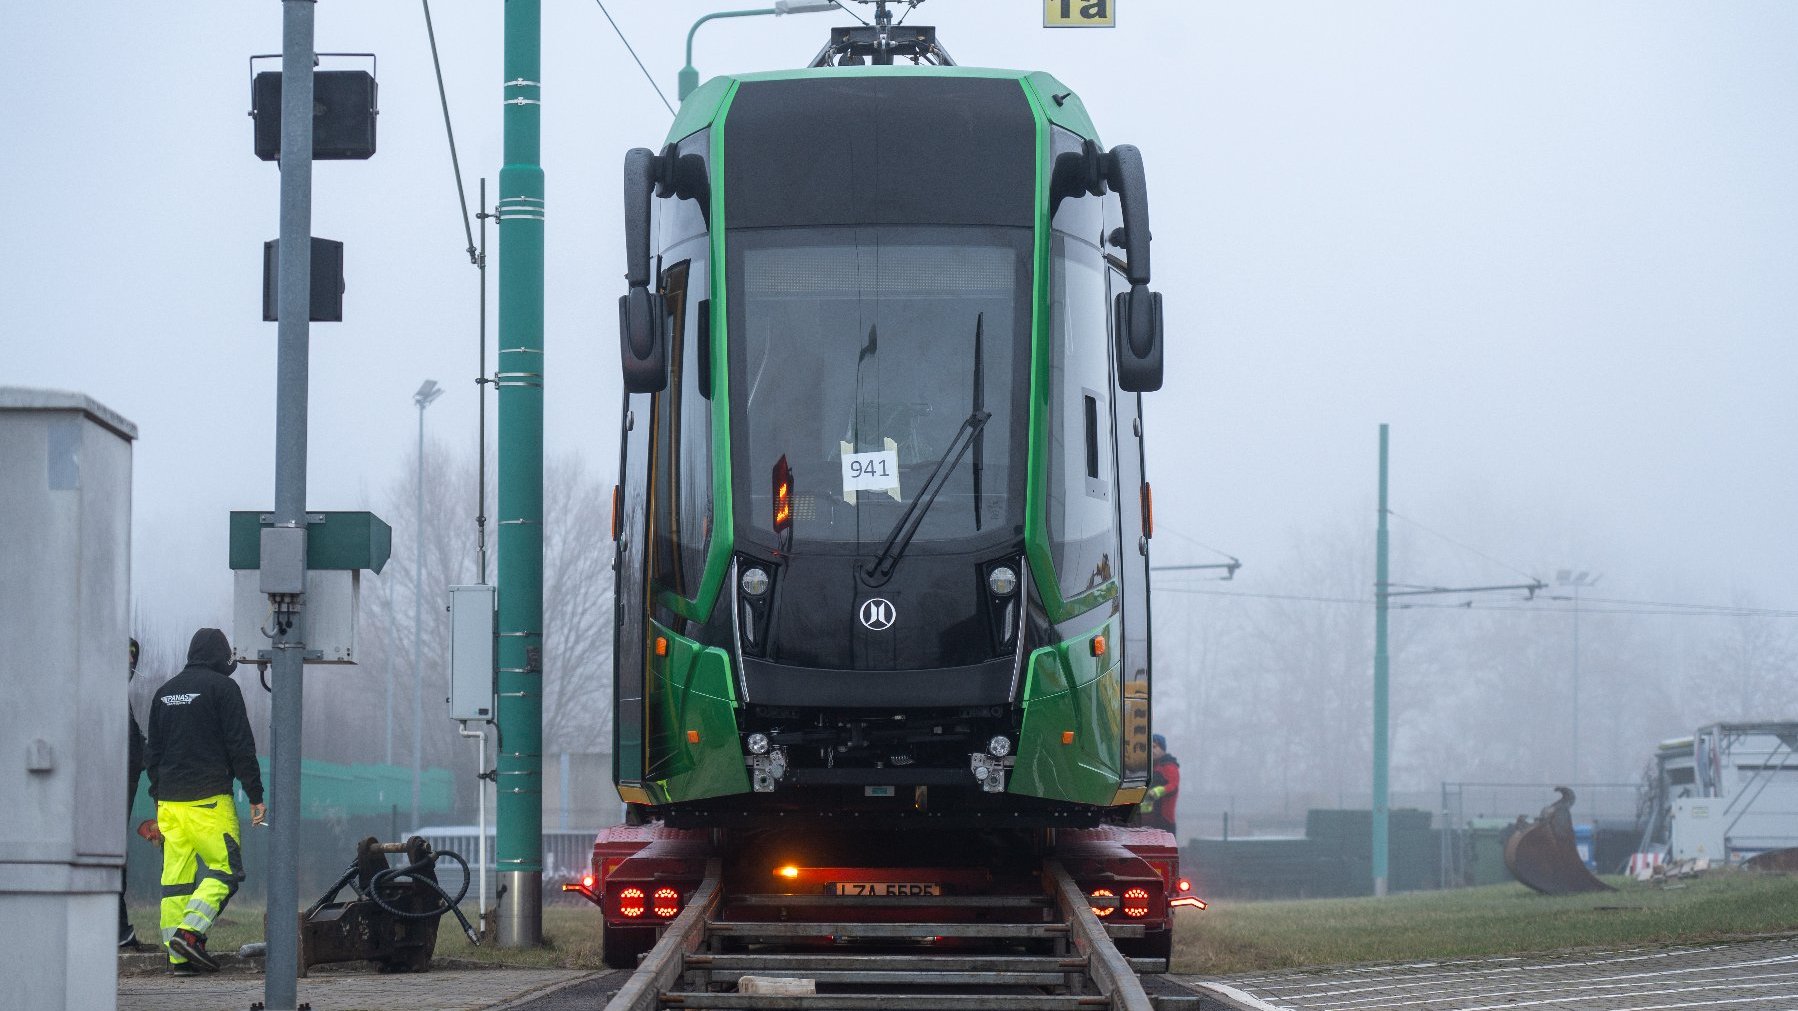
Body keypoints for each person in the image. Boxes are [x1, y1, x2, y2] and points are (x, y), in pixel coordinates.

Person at [143, 628, 266, 973]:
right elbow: (241, 746)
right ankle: (190, 933)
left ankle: (178, 958)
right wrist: (255, 795)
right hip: (209, 801)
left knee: (176, 881)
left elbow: (152, 755)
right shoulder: (224, 689)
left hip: (169, 804)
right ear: (221, 656)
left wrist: (158, 796)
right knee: (226, 869)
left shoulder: (164, 693)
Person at [1140, 733, 1180, 836]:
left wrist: (1157, 791)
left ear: (1163, 749)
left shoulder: (1169, 766)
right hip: (1145, 821)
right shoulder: (1148, 767)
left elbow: (1173, 786)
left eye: (1155, 747)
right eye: (1149, 747)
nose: (1152, 750)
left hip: (1163, 821)